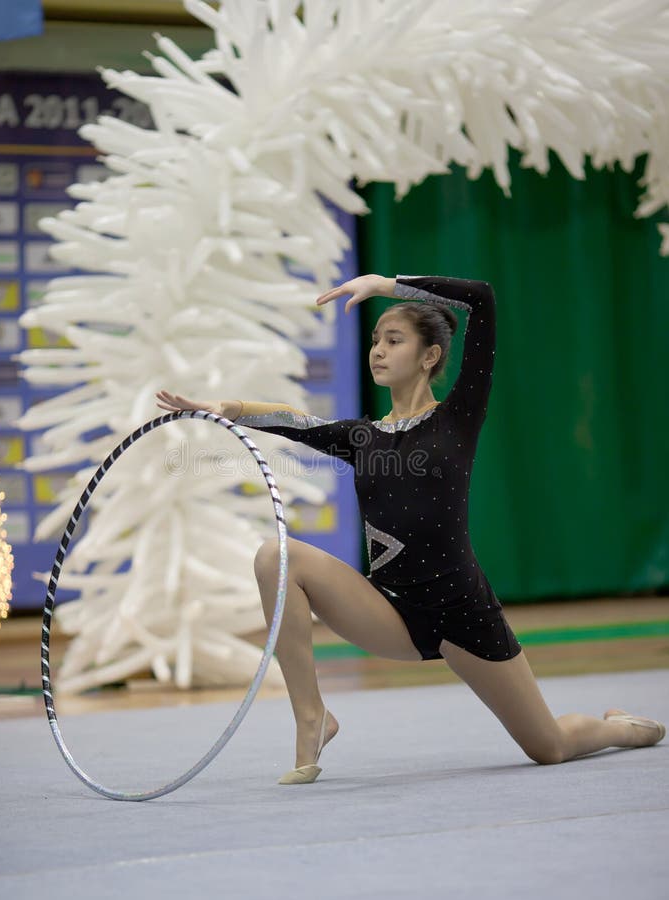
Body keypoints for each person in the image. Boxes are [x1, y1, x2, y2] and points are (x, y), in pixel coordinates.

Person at [156, 272, 665, 785]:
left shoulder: (458, 416)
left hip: (464, 615)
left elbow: (483, 298)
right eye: (376, 339)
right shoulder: (362, 438)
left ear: (429, 357)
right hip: (393, 613)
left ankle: (622, 728)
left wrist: (388, 285)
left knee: (547, 747)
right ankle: (312, 716)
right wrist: (229, 409)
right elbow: (294, 420)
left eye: (393, 340)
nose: (378, 350)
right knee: (275, 555)